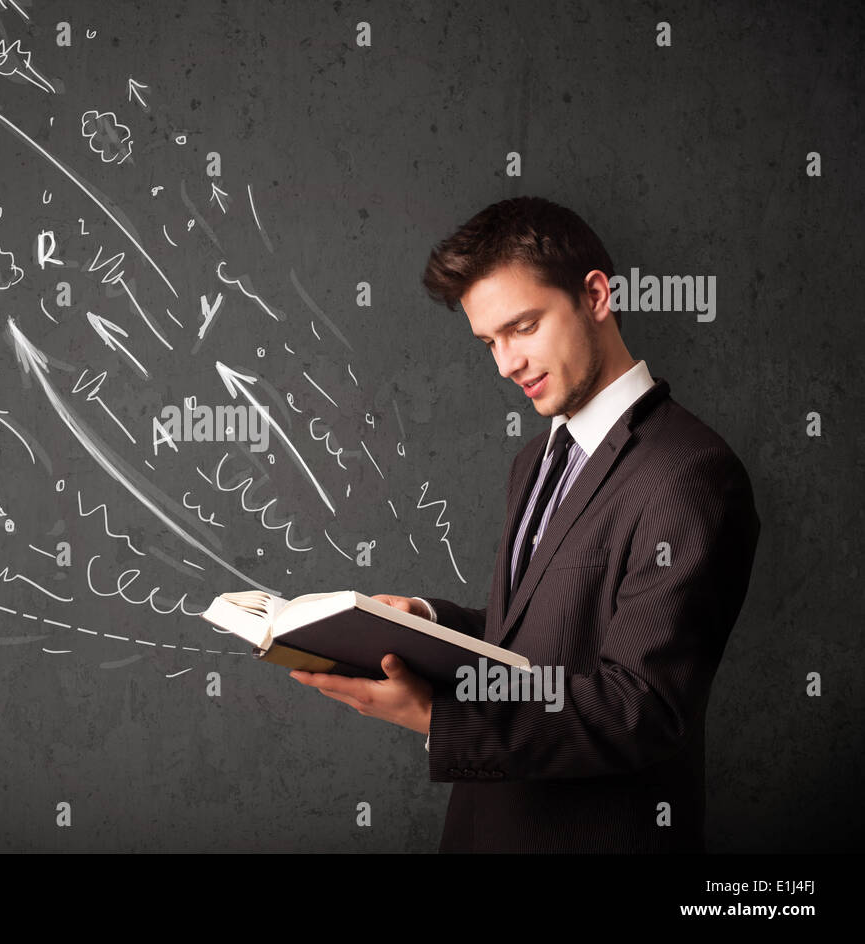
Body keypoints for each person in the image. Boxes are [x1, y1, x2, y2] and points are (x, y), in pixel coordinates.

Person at [290, 196, 761, 852]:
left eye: (523, 327)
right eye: (489, 342)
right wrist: (427, 623)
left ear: (596, 295)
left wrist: (435, 717)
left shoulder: (694, 473)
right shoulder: (534, 460)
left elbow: (640, 709)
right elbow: (542, 642)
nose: (505, 363)